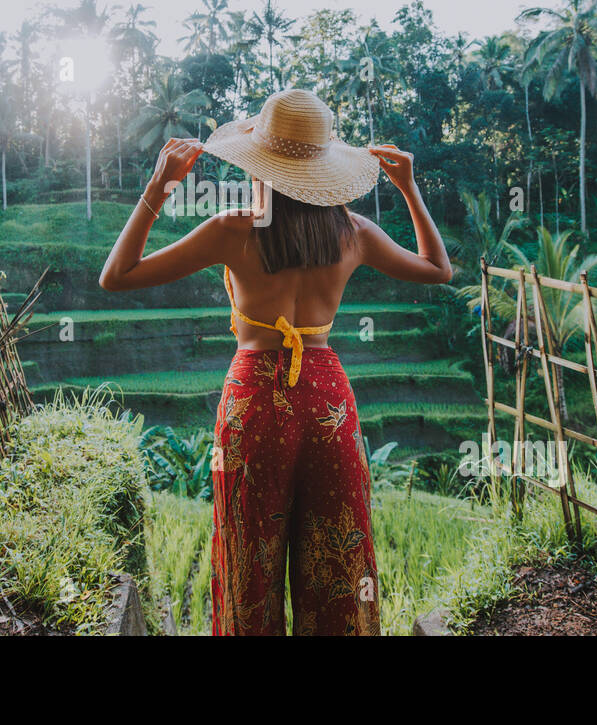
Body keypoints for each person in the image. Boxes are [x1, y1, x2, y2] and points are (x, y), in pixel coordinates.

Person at [100, 88, 452, 635]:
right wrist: (409, 189)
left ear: (259, 162)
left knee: (248, 562)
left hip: (253, 405)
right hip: (328, 402)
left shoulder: (231, 230)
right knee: (338, 558)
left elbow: (116, 276)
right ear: (326, 170)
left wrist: (158, 186)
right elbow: (437, 268)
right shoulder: (353, 233)